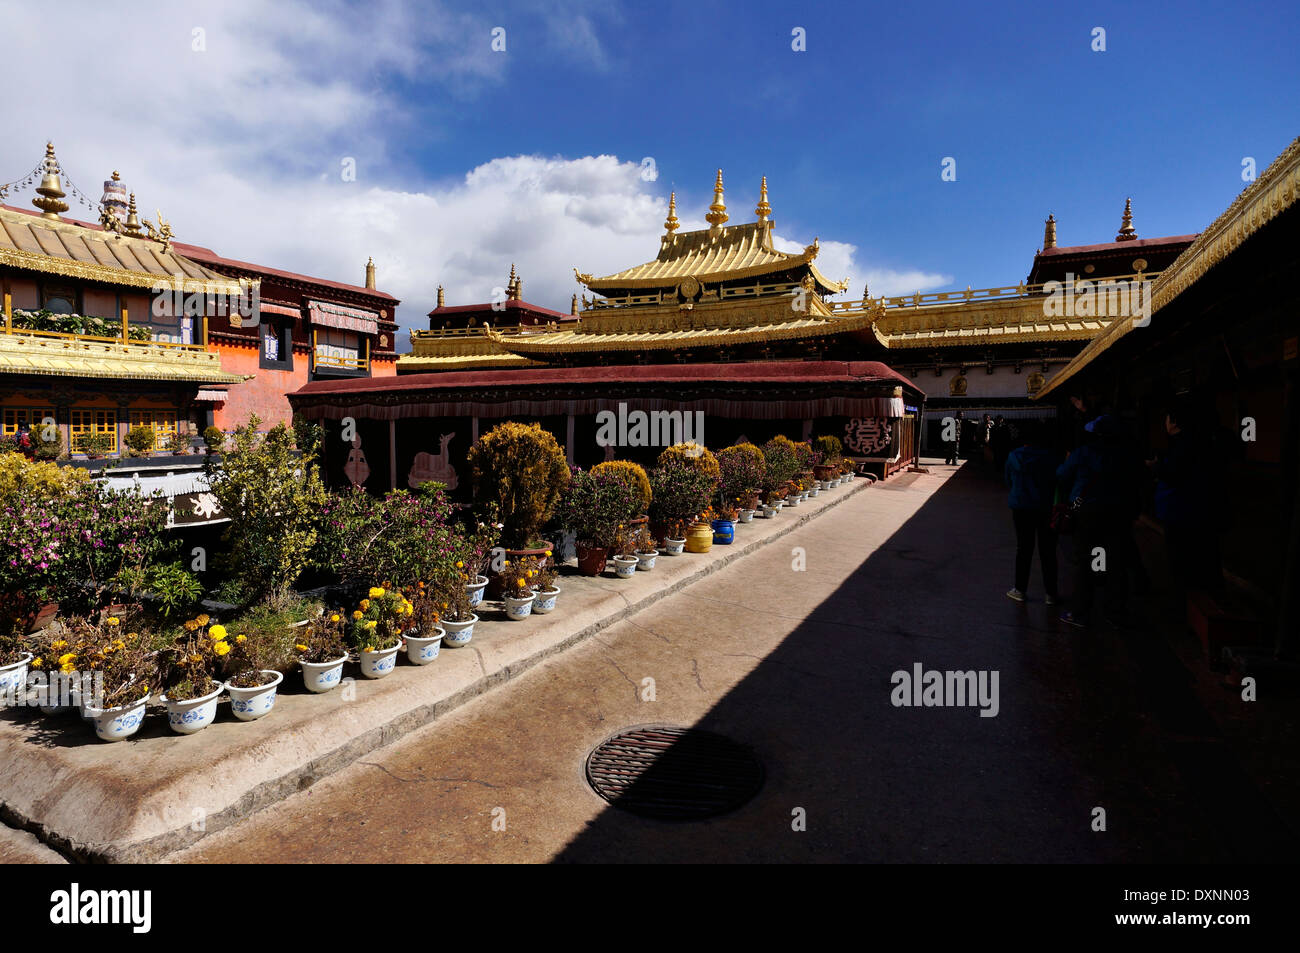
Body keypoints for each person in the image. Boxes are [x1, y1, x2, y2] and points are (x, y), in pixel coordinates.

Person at [1056, 414, 1138, 628]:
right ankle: (1114, 611)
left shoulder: (1083, 452)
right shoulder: (1127, 454)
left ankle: (1081, 611)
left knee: (1088, 557)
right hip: (1119, 512)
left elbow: (1062, 475)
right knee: (1115, 559)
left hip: (1089, 512)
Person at [1152, 401, 1222, 593]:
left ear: (1174, 422)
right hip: (1192, 509)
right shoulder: (1198, 442)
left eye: (1167, 418)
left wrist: (1157, 467)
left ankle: (1186, 601)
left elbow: (1174, 474)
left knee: (1180, 558)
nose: (1165, 423)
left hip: (1180, 510)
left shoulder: (1183, 445)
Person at [1004, 420, 1059, 604]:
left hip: (1021, 508)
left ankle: (1020, 589)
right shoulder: (1051, 456)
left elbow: (1008, 481)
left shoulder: (1013, 456)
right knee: (1048, 550)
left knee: (1024, 548)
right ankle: (1050, 594)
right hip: (1045, 507)